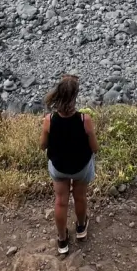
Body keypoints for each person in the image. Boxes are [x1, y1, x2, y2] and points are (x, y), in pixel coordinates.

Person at [40, 74, 98, 255]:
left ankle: (62, 240)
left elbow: (42, 146)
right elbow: (94, 148)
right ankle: (81, 228)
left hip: (59, 168)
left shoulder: (49, 120)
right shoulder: (84, 120)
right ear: (74, 97)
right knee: (80, 197)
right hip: (80, 168)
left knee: (60, 201)